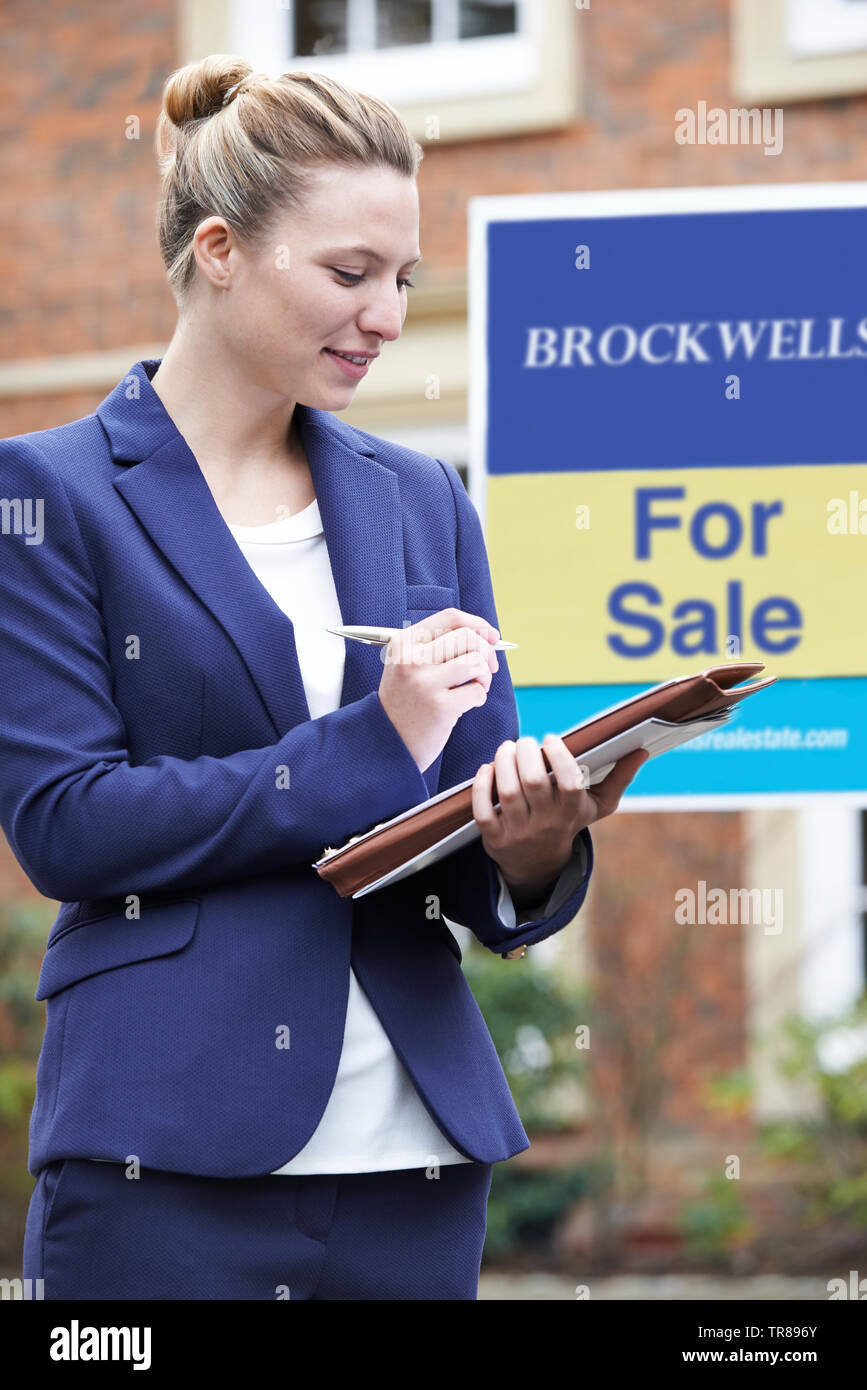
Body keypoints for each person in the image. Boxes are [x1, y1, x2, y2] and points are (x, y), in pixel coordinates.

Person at [4, 54, 647, 1301]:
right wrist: (376, 738)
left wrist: (531, 843)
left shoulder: (423, 500)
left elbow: (458, 834)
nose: (389, 316)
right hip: (163, 1169)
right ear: (221, 249)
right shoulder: (47, 495)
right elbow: (67, 825)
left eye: (401, 279)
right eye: (349, 274)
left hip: (415, 1168)